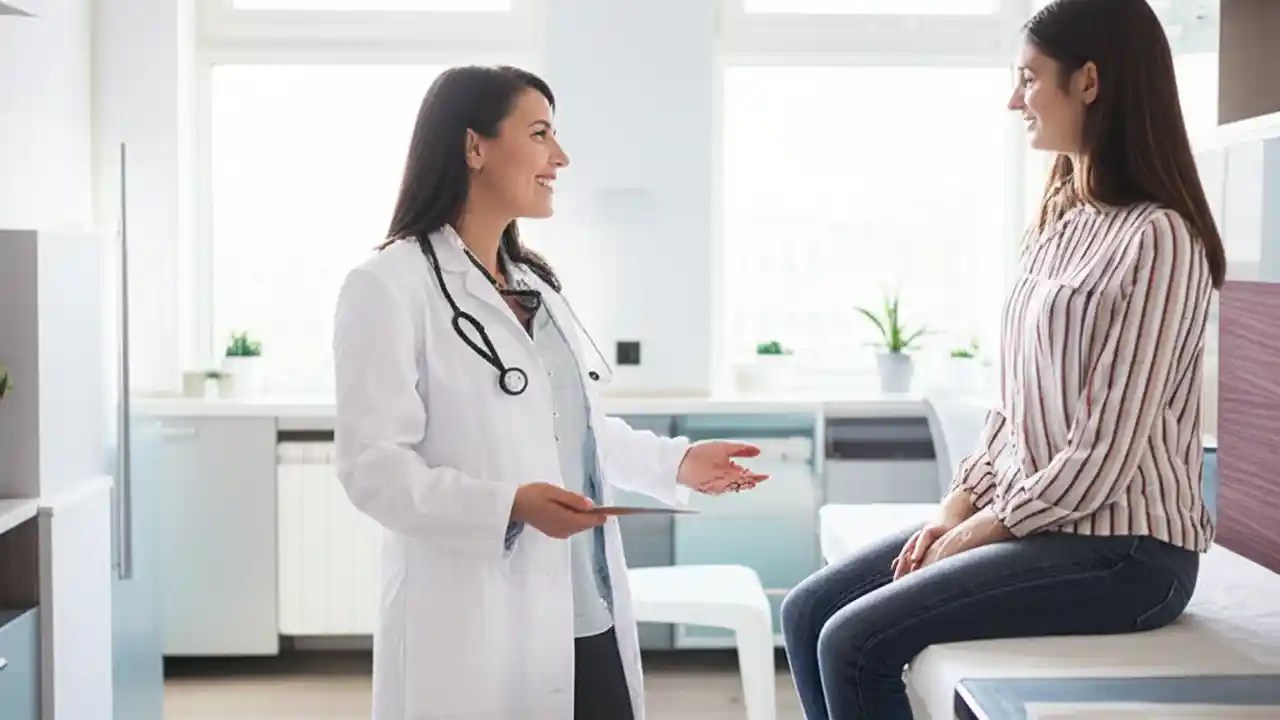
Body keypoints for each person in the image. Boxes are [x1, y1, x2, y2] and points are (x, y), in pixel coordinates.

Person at [780, 1, 1227, 718]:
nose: (1013, 98)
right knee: (807, 612)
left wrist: (981, 529)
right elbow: (1013, 409)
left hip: (1128, 552)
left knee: (854, 642)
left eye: (1028, 78)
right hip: (1048, 527)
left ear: (1089, 81)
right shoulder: (1058, 223)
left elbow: (1105, 452)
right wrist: (954, 508)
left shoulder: (1161, 239)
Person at [332, 65, 768, 720]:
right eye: (540, 135)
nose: (559, 158)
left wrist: (675, 463)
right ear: (474, 147)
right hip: (472, 616)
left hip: (583, 602)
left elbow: (574, 429)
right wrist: (509, 505)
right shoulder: (389, 286)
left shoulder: (536, 284)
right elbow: (373, 470)